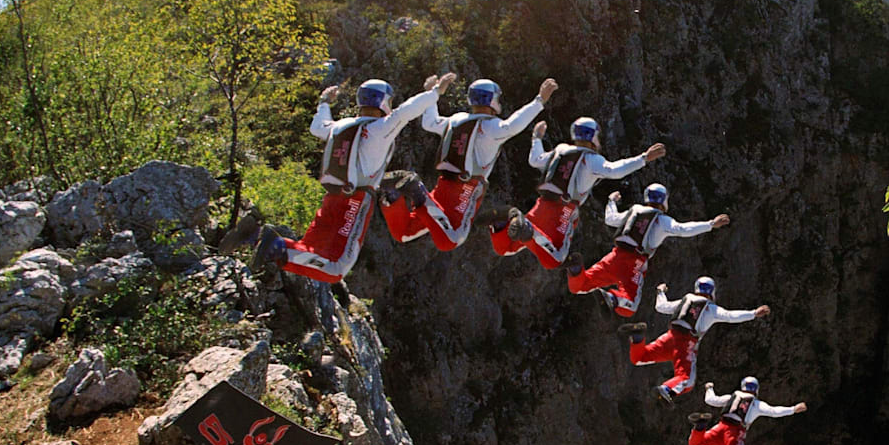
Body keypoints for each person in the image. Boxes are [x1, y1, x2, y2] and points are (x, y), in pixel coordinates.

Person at [261, 74, 456, 283]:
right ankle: (273, 248)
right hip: (356, 200)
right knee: (337, 268)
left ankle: (258, 238)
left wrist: (324, 103)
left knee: (310, 248)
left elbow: (317, 127)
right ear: (383, 102)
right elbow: (405, 112)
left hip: (331, 199)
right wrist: (434, 93)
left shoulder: (340, 126)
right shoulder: (380, 128)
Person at [382, 77, 558, 249]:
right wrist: (539, 101)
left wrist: (430, 94)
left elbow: (429, 123)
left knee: (404, 232)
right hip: (466, 190)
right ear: (493, 100)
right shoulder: (492, 127)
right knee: (452, 239)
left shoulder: (455, 119)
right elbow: (513, 125)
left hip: (443, 185)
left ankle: (392, 195)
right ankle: (416, 190)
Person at [487, 117, 666, 268]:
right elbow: (614, 171)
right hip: (564, 211)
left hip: (542, 205)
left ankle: (501, 225)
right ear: (593, 136)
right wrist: (643, 158)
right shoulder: (592, 159)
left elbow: (535, 160)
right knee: (555, 258)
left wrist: (537, 138)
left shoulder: (561, 150)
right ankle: (529, 230)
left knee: (506, 248)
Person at [566, 185, 728, 316]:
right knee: (629, 306)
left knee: (580, 286)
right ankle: (612, 298)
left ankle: (574, 269)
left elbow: (611, 219)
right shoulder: (663, 221)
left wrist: (611, 201)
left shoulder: (634, 212)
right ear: (664, 201)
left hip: (615, 256)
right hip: (635, 263)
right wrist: (710, 224)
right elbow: (683, 229)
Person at [620, 278, 769, 403]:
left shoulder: (686, 300)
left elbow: (661, 307)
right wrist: (753, 313)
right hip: (686, 343)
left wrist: (660, 292)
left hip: (670, 336)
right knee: (686, 379)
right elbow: (731, 316)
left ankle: (638, 338)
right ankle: (666, 389)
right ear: (712, 292)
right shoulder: (711, 309)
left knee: (640, 358)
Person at [687, 377, 806, 445]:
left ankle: (700, 427)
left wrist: (709, 388)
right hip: (735, 431)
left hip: (721, 426)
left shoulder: (732, 397)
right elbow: (774, 411)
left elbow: (711, 400)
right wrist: (793, 409)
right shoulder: (756, 404)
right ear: (756, 390)